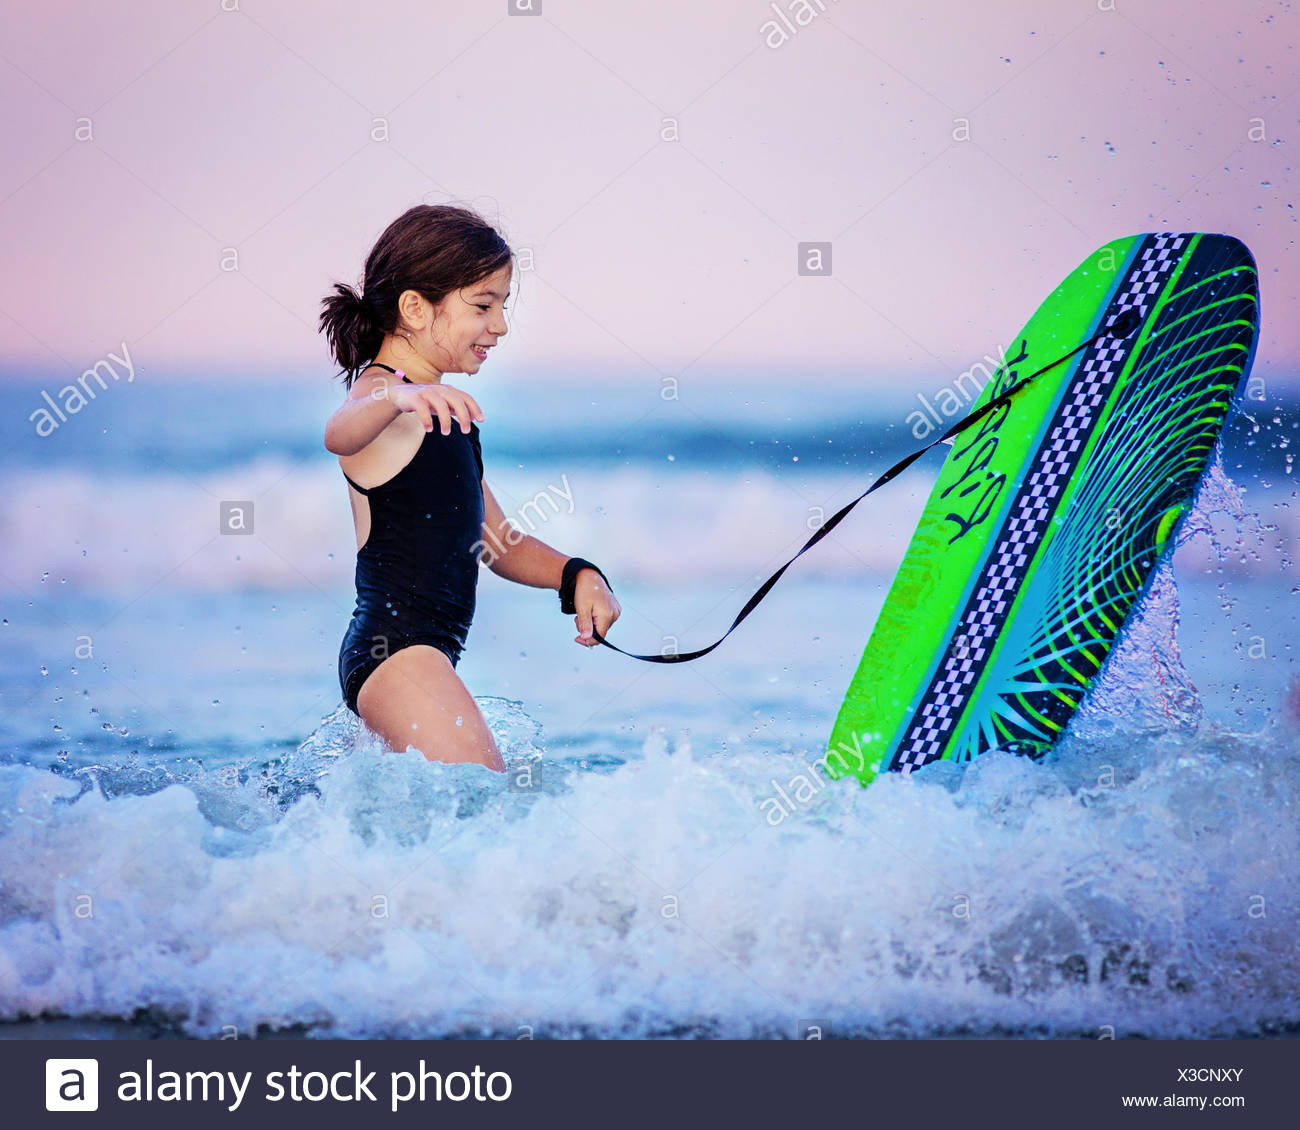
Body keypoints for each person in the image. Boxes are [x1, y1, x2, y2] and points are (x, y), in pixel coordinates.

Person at [319, 204, 620, 771]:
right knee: (488, 800)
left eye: (503, 306)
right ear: (414, 307)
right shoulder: (383, 396)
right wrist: (398, 398)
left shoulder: (444, 415)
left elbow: (499, 542)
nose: (501, 325)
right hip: (396, 652)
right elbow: (338, 433)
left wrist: (577, 573)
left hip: (420, 656)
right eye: (483, 305)